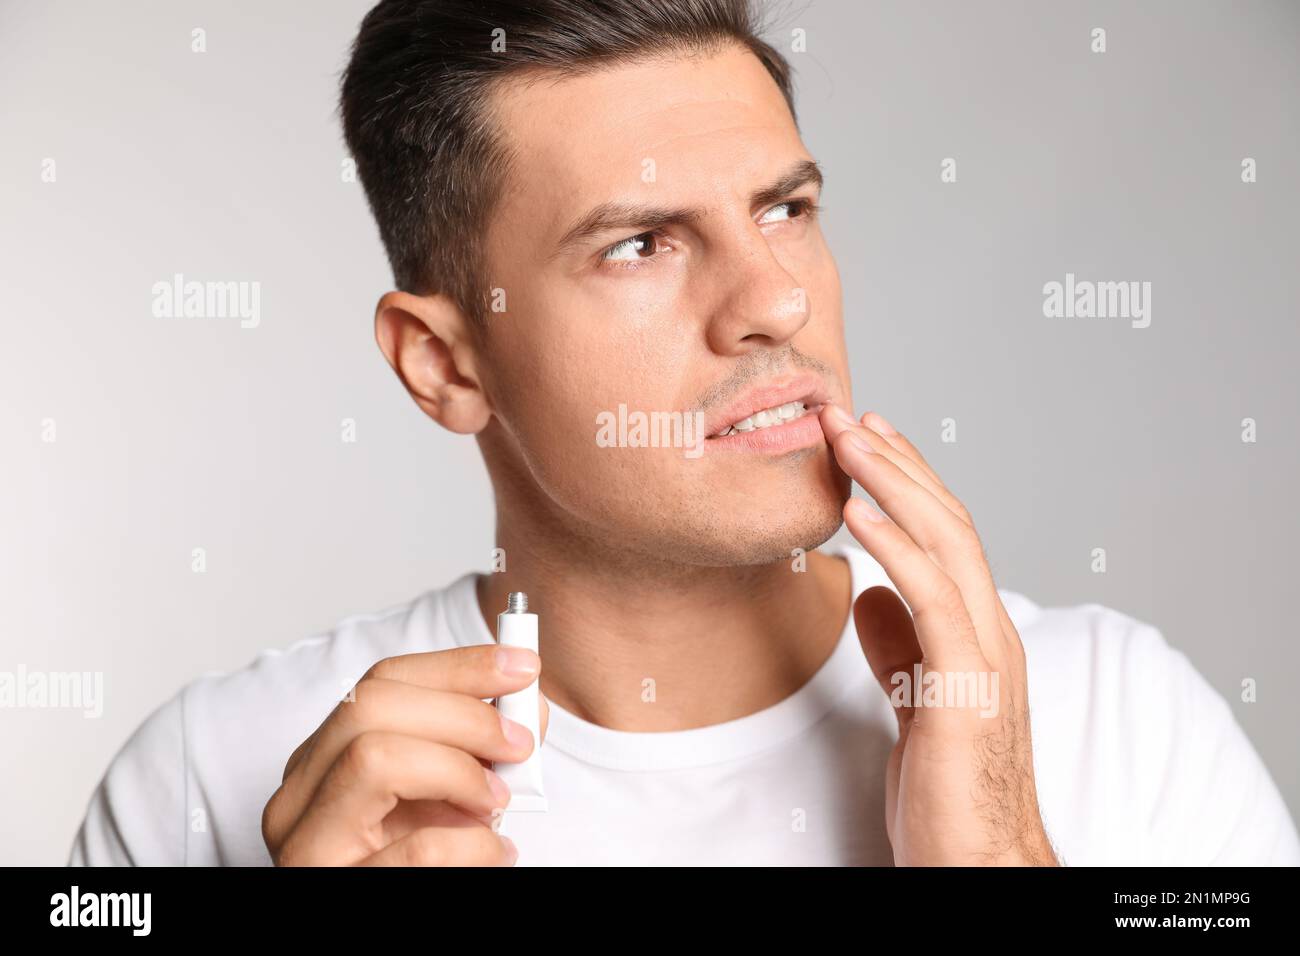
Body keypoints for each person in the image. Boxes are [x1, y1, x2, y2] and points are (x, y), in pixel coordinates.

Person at [69, 0, 1299, 866]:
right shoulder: (208, 774)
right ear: (445, 363)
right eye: (641, 242)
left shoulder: (1124, 717)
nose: (775, 297)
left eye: (785, 206)